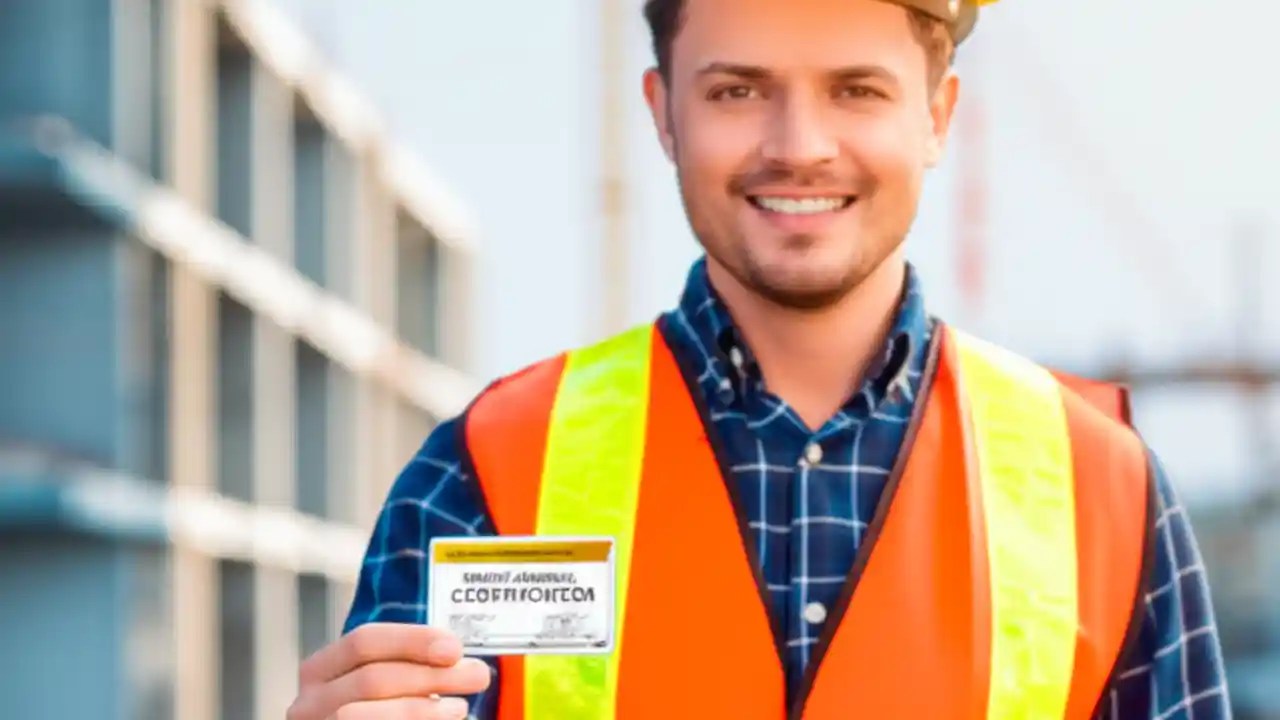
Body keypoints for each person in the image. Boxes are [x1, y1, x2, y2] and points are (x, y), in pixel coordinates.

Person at [288, 0, 1233, 717]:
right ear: (664, 114)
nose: (799, 147)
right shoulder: (487, 471)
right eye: (738, 90)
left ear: (939, 115)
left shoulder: (1101, 490)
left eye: (856, 90)